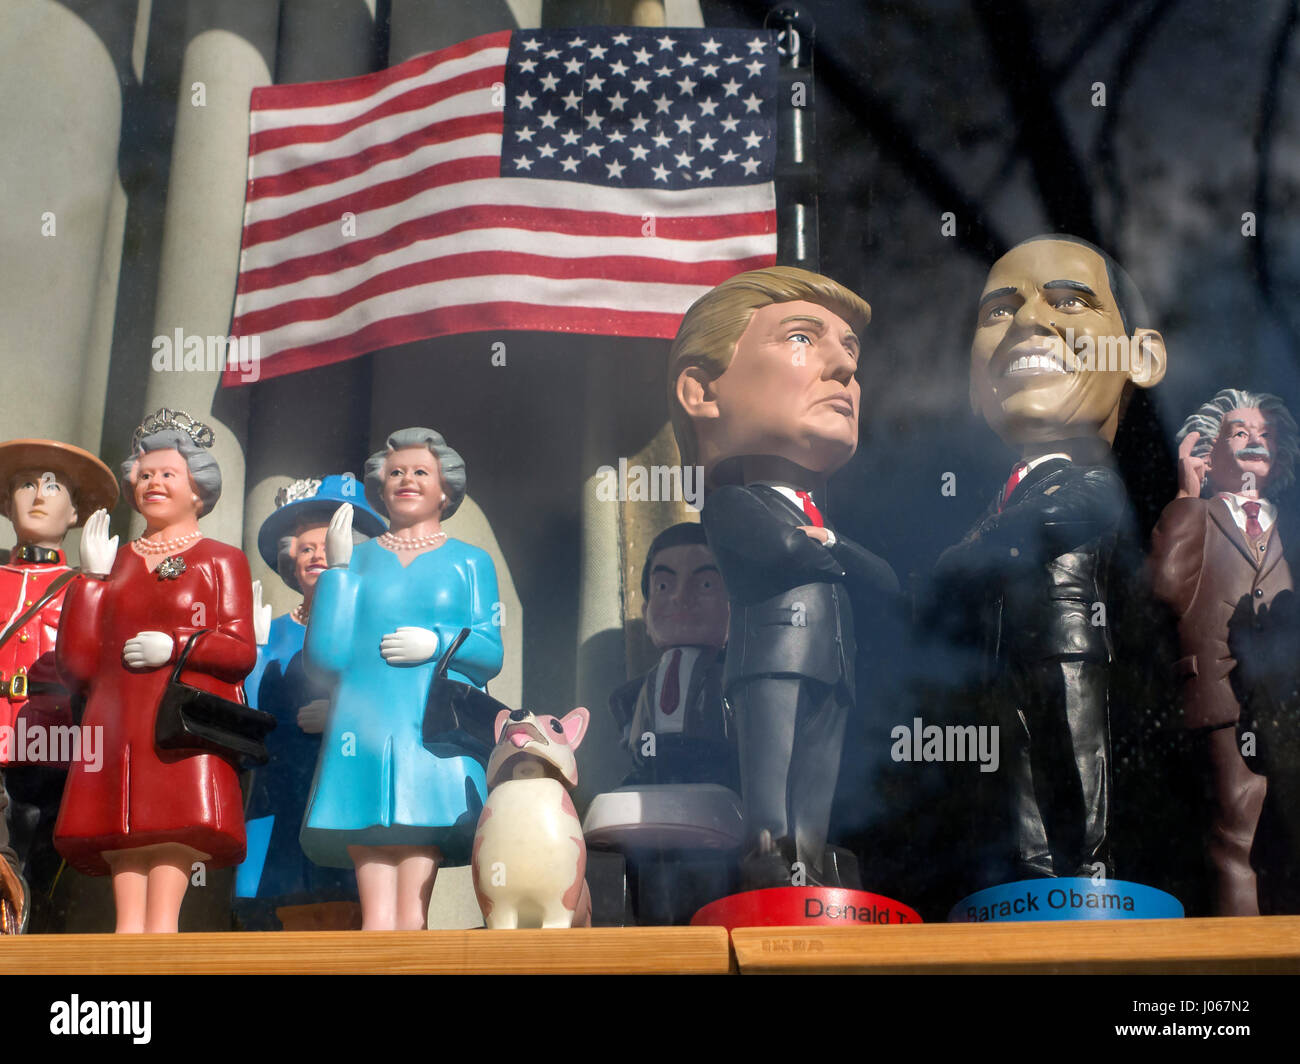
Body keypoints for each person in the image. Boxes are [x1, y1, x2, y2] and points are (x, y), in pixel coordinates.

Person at [935, 235, 1168, 881]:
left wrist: (978, 547)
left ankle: (1088, 865)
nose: (1032, 321)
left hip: (1070, 644)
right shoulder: (1001, 497)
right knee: (1022, 760)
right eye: (998, 311)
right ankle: (1035, 869)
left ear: (1141, 357)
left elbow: (1054, 519)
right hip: (1013, 648)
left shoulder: (1092, 482)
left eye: (1069, 301)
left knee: (1074, 750)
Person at [669, 266, 899, 890]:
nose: (845, 369)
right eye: (802, 338)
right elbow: (780, 550)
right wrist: (826, 550)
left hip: (832, 661)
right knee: (770, 764)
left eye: (850, 349)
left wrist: (823, 545)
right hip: (769, 660)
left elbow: (883, 582)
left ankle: (811, 854)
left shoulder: (822, 521)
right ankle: (768, 857)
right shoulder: (734, 503)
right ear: (703, 392)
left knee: (820, 768)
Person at [54, 409, 256, 933]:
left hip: (178, 718)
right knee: (121, 824)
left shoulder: (220, 559)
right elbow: (77, 663)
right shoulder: (115, 562)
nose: (153, 484)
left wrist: (177, 644)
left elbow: (239, 649)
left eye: (168, 474)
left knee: (171, 825)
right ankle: (128, 930)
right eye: (145, 475)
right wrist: (91, 580)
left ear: (198, 489)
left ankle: (162, 929)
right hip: (118, 716)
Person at [302, 428, 503, 931]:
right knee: (367, 822)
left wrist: (438, 642)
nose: (406, 480)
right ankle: (376, 927)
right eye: (395, 472)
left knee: (420, 821)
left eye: (420, 472)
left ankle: (412, 926)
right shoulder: (359, 560)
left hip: (430, 718)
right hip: (365, 718)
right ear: (379, 487)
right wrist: (338, 573)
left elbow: (489, 649)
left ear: (445, 490)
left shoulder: (470, 562)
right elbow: (326, 656)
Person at [1150, 388, 1298, 914]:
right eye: (1239, 433)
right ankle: (1243, 966)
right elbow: (1166, 586)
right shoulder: (1200, 515)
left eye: (1264, 435)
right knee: (1237, 831)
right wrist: (1188, 495)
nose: (1254, 441)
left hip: (1288, 702)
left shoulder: (1293, 526)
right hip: (1222, 702)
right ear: (1208, 457)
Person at [234, 475, 386, 930]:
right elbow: (252, 723)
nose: (316, 555)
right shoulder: (275, 631)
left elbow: (389, 708)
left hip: (343, 790)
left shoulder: (372, 626)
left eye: (328, 543)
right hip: (277, 792)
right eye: (304, 548)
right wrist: (255, 658)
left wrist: (342, 720)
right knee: (270, 915)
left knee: (342, 911)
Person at [0, 438, 117, 929]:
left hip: (59, 744)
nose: (39, 494)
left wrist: (96, 585)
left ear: (76, 512)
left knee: (49, 864)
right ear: (7, 505)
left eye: (54, 486)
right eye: (27, 484)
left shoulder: (85, 586)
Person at [610, 522, 736, 789]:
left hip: (714, 769)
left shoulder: (731, 677)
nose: (681, 597)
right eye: (664, 586)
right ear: (646, 613)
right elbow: (620, 701)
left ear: (734, 608)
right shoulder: (640, 689)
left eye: (705, 584)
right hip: (651, 768)